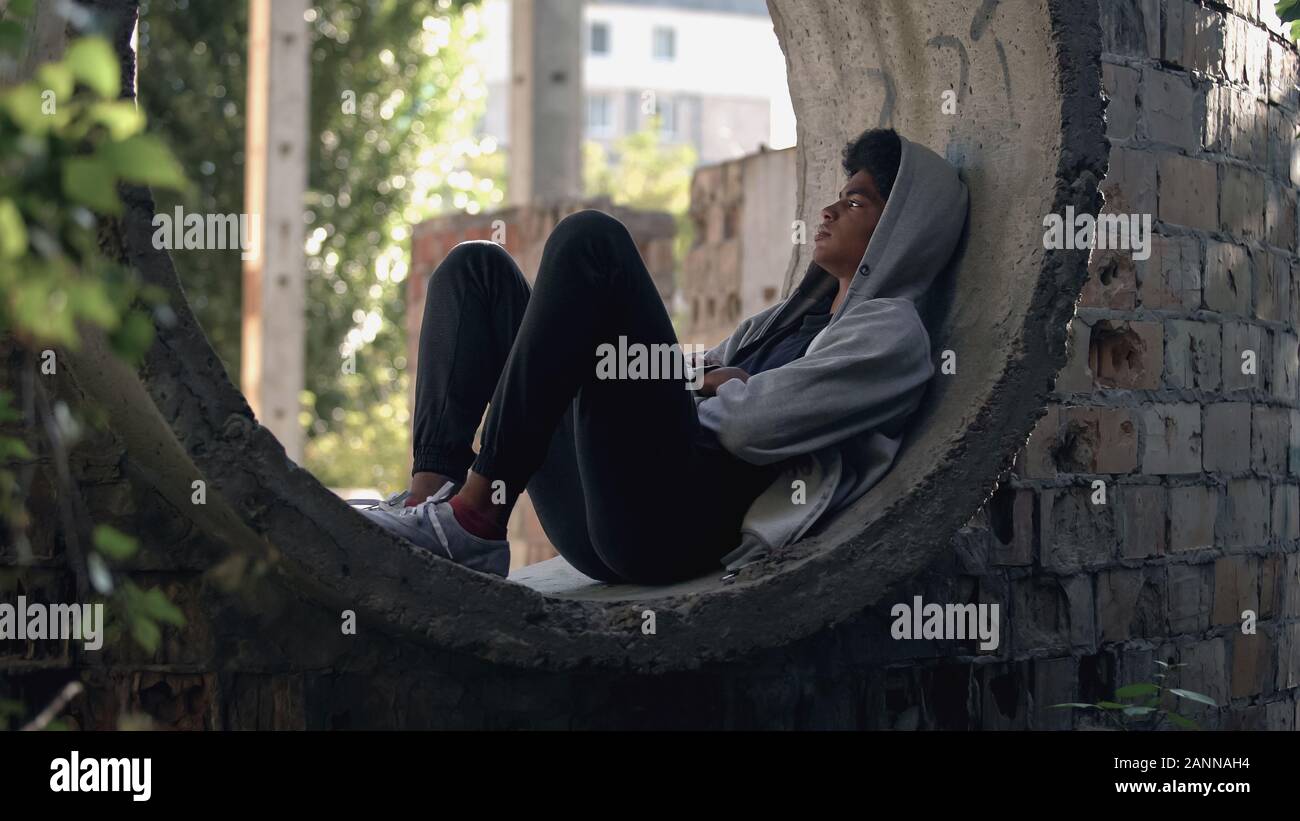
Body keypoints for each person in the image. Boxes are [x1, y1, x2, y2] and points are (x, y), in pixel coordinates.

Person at [353, 128, 969, 583]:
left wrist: (713, 385)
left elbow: (755, 426)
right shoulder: (784, 321)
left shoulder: (891, 335)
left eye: (858, 202)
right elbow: (693, 378)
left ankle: (476, 521)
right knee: (477, 271)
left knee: (592, 243)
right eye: (838, 195)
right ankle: (432, 504)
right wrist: (712, 380)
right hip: (598, 519)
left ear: (900, 232)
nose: (831, 209)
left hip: (672, 526)